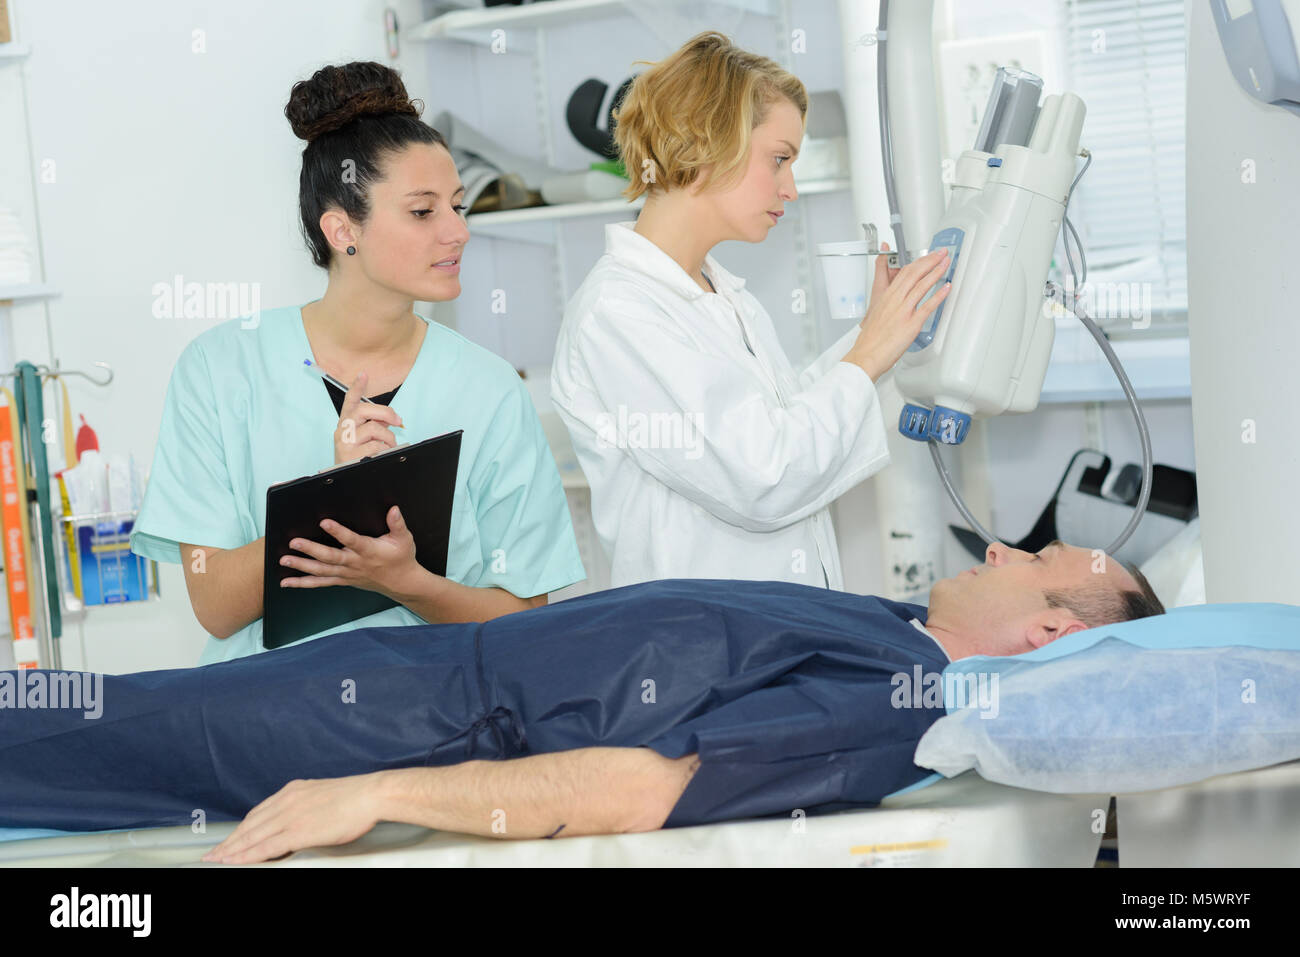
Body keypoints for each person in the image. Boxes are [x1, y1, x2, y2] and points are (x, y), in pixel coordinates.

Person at [0, 540, 1163, 862]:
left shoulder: (893, 701)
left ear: (1049, 633)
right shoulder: (887, 623)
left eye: (1033, 559)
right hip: (416, 674)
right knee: (105, 711)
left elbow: (648, 786)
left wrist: (377, 792)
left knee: (101, 729)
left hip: (418, 726)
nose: (1001, 544)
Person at [129, 62, 585, 664]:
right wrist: (331, 499)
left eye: (458, 206)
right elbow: (215, 604)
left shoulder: (489, 387)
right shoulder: (219, 370)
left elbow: (525, 616)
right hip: (266, 707)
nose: (458, 231)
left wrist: (408, 584)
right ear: (343, 229)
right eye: (423, 212)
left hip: (439, 706)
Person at [550, 32, 953, 589]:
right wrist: (867, 355)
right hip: (707, 632)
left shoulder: (722, 294)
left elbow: (781, 424)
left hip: (771, 623)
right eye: (779, 159)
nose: (790, 189)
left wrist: (878, 336)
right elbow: (763, 477)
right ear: (705, 141)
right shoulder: (618, 313)